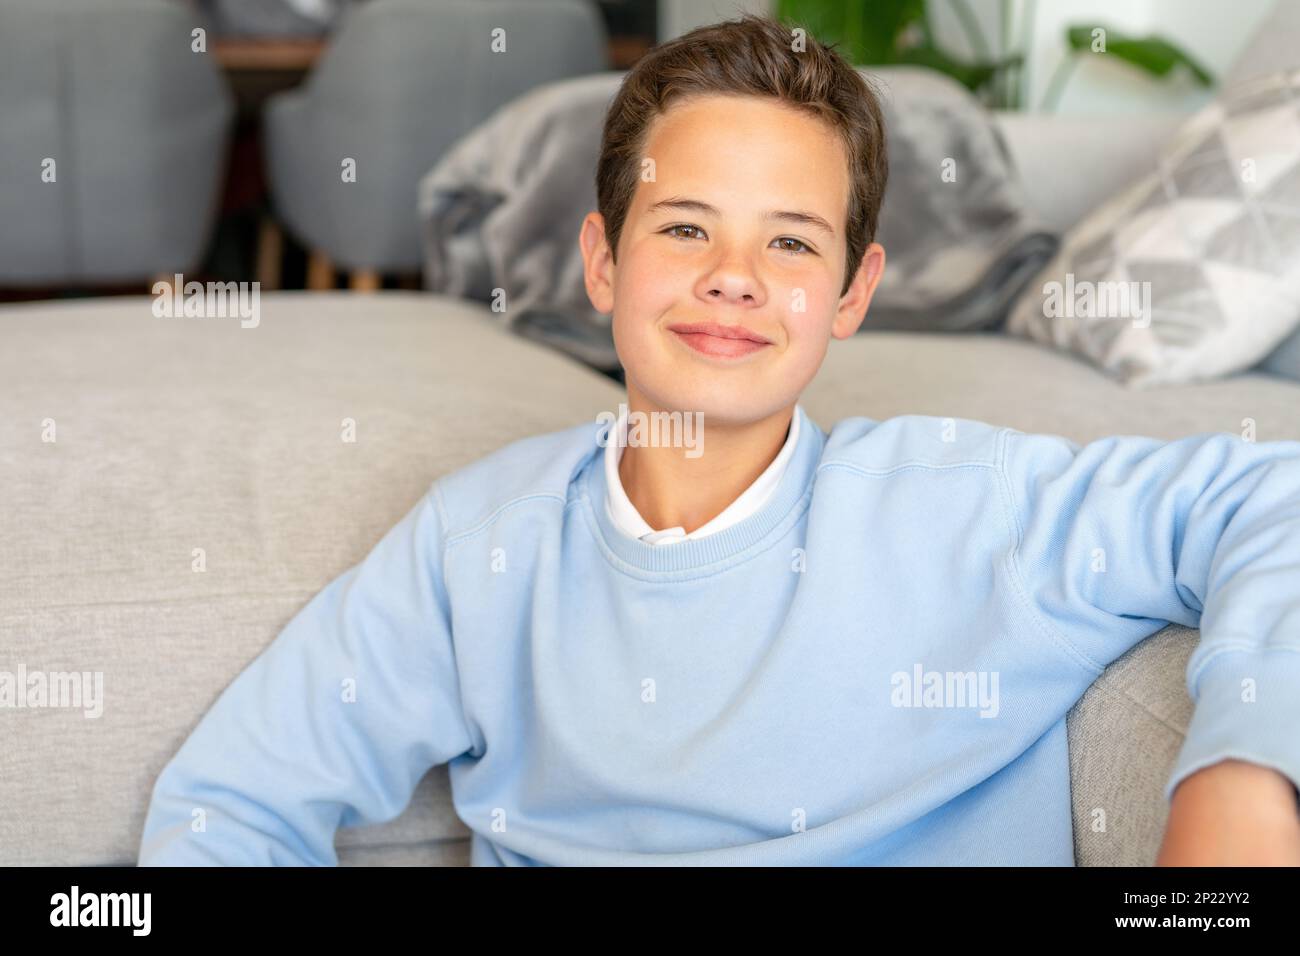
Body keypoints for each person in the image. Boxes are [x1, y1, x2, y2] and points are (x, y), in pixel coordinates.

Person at [138, 13, 1300, 866]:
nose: (731, 278)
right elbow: (233, 800)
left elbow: (1268, 498)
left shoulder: (969, 509)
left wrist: (1243, 772)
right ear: (602, 260)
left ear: (851, 293)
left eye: (791, 243)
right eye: (685, 225)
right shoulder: (478, 545)